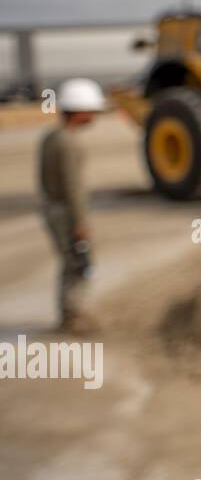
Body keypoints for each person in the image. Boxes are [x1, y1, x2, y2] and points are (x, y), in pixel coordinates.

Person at [38, 77, 107, 331]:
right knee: (78, 262)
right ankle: (72, 315)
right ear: (80, 111)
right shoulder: (69, 142)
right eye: (92, 110)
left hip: (52, 207)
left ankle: (70, 311)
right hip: (66, 212)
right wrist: (80, 222)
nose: (95, 115)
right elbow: (73, 187)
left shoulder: (51, 137)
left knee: (70, 260)